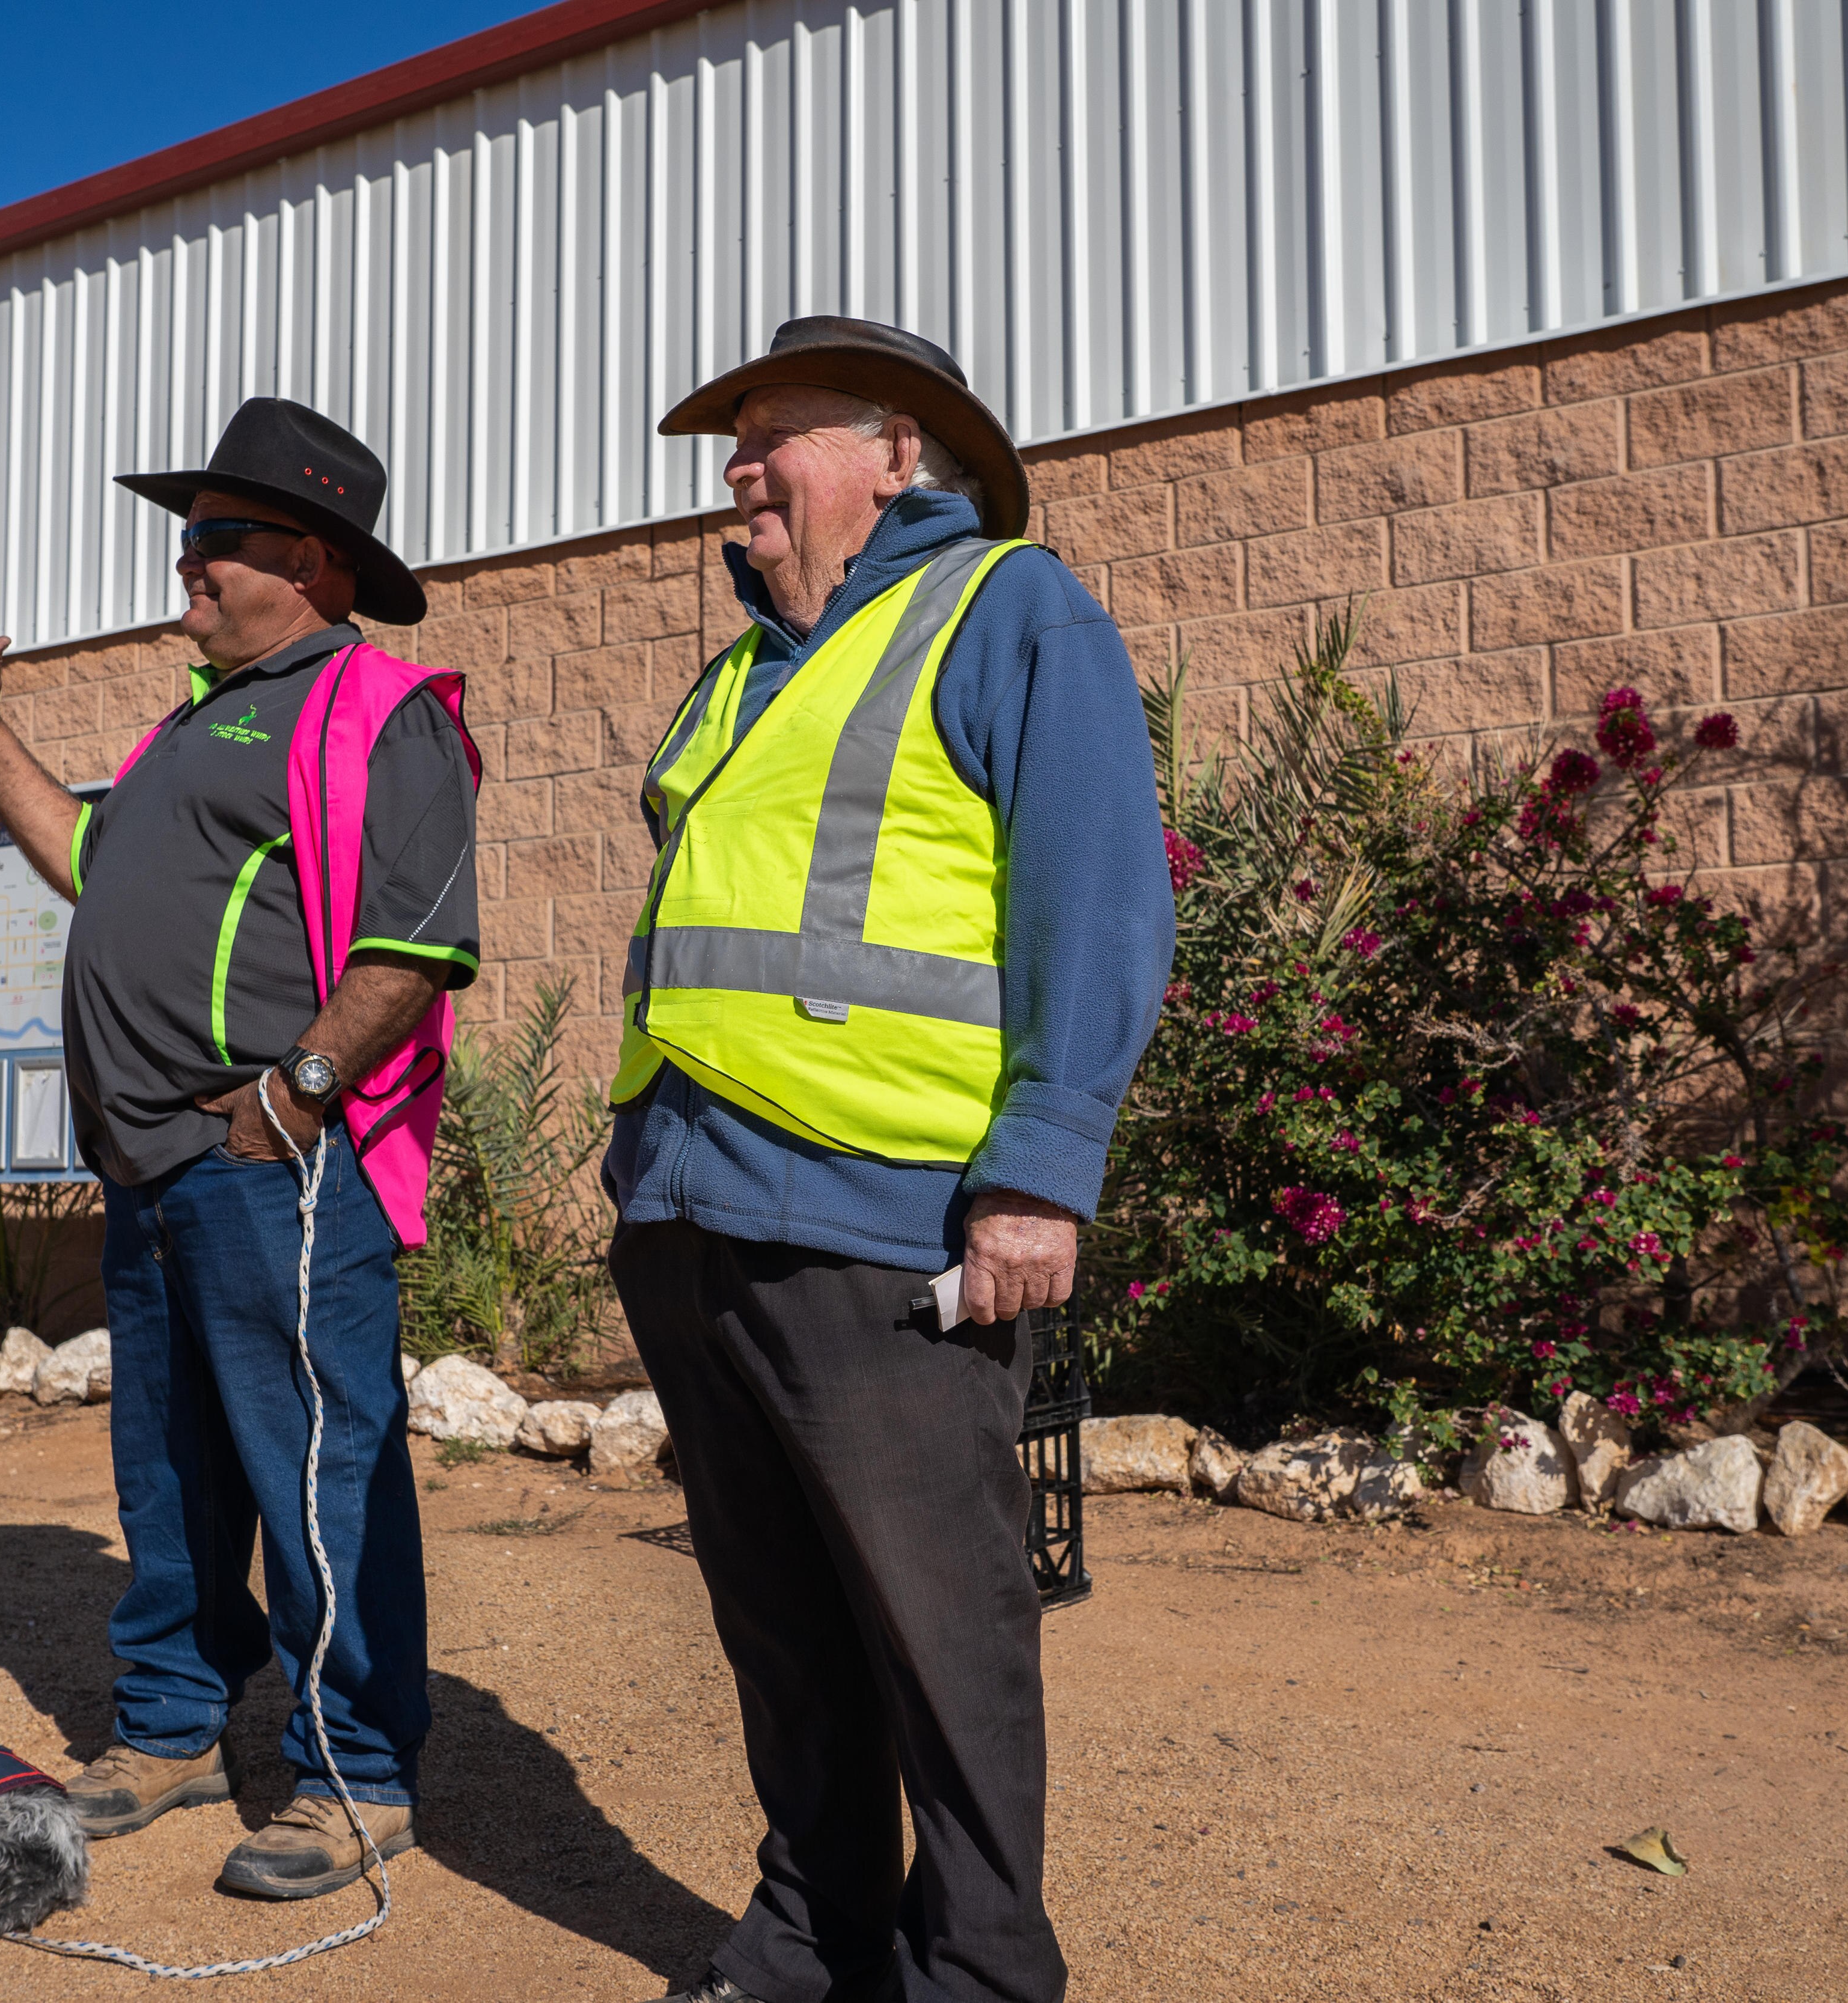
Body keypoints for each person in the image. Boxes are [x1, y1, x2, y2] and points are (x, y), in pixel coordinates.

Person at [605, 319, 1174, 2003]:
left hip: (892, 1219)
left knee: (941, 1624)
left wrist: (1042, 1170)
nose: (737, 468)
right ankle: (817, 1925)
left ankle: (984, 1965)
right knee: (778, 1622)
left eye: (773, 431)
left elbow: (1100, 894)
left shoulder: (1008, 608)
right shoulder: (738, 673)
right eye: (734, 438)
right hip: (695, 1206)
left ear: (899, 454)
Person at [0, 397, 478, 1902]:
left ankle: (354, 1769)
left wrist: (292, 1091)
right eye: (187, 541)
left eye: (220, 541)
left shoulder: (378, 708)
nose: (189, 568)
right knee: (166, 1470)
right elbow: (85, 862)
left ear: (320, 561)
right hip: (152, 1164)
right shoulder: (189, 725)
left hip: (270, 1162)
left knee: (314, 1467)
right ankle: (168, 1724)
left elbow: (416, 941)